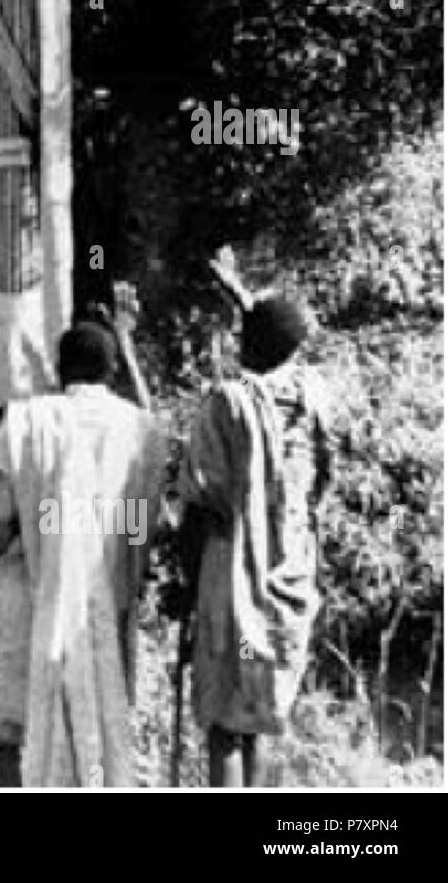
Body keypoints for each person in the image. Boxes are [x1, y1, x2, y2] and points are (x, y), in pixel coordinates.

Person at [0, 291, 167, 786]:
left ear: (58, 367)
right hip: (103, 610)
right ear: (113, 370)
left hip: (30, 599)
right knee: (96, 725)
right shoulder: (140, 431)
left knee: (13, 727)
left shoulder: (28, 420)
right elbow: (140, 525)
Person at [175, 251, 334, 787]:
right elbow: (276, 337)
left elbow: (199, 501)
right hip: (289, 572)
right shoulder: (312, 398)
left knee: (223, 720)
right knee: (255, 720)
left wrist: (186, 582)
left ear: (253, 344)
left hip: (231, 573)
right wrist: (240, 293)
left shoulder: (229, 405)